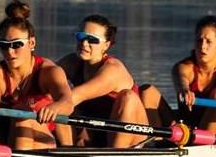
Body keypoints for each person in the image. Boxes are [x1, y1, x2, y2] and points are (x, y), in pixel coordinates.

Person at [0, 1, 74, 150]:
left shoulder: (49, 72)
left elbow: (67, 103)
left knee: (22, 114)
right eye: (4, 45)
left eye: (17, 44)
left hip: (42, 141)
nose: (10, 51)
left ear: (32, 43)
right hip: (5, 140)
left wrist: (55, 108)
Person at [54, 15, 151, 148]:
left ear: (106, 44)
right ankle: (67, 150)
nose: (84, 44)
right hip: (96, 131)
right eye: (81, 37)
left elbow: (74, 97)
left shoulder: (112, 70)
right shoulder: (71, 62)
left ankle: (116, 156)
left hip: (130, 139)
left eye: (92, 40)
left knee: (127, 97)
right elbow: (45, 80)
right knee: (55, 97)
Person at [153, 14, 216, 134]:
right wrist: (185, 90)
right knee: (147, 91)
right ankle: (152, 144)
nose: (203, 47)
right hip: (185, 130)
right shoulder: (184, 67)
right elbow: (181, 80)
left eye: (208, 42)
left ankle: (201, 142)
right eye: (199, 40)